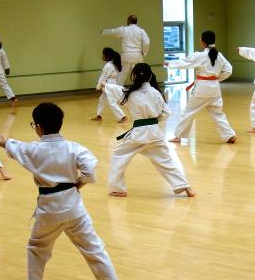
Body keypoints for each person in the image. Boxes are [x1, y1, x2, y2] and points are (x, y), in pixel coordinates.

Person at [0, 103, 125, 280]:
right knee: (94, 248)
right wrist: (79, 184)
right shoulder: (74, 148)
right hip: (74, 207)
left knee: (37, 247)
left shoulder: (32, 150)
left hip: (49, 210)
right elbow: (90, 170)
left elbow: (8, 143)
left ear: (38, 127)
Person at [104, 62, 193, 198]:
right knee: (166, 161)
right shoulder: (155, 92)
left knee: (118, 155)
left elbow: (117, 90)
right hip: (155, 133)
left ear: (133, 76)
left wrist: (105, 85)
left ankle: (118, 188)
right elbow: (166, 113)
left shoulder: (130, 94)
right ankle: (184, 186)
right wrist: (154, 120)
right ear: (150, 76)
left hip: (139, 135)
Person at [167, 30, 237, 144]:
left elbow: (186, 63)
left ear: (203, 42)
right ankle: (229, 135)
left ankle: (178, 136)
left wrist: (170, 63)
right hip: (215, 88)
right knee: (217, 113)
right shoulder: (220, 56)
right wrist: (217, 79)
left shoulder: (200, 55)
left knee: (189, 112)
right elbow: (229, 70)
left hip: (202, 89)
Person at [101, 14, 151, 85]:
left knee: (121, 75)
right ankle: (141, 90)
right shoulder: (141, 31)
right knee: (140, 74)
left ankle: (118, 90)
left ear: (128, 21)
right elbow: (147, 42)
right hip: (138, 55)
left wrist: (103, 32)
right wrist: (144, 52)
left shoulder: (124, 29)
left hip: (126, 56)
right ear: (136, 22)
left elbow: (113, 31)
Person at [90, 48, 126, 123]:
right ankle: (99, 115)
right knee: (102, 99)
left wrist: (98, 86)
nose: (102, 56)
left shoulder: (108, 65)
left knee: (112, 102)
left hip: (109, 84)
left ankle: (122, 117)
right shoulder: (112, 64)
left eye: (103, 54)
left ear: (107, 55)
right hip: (110, 83)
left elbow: (103, 77)